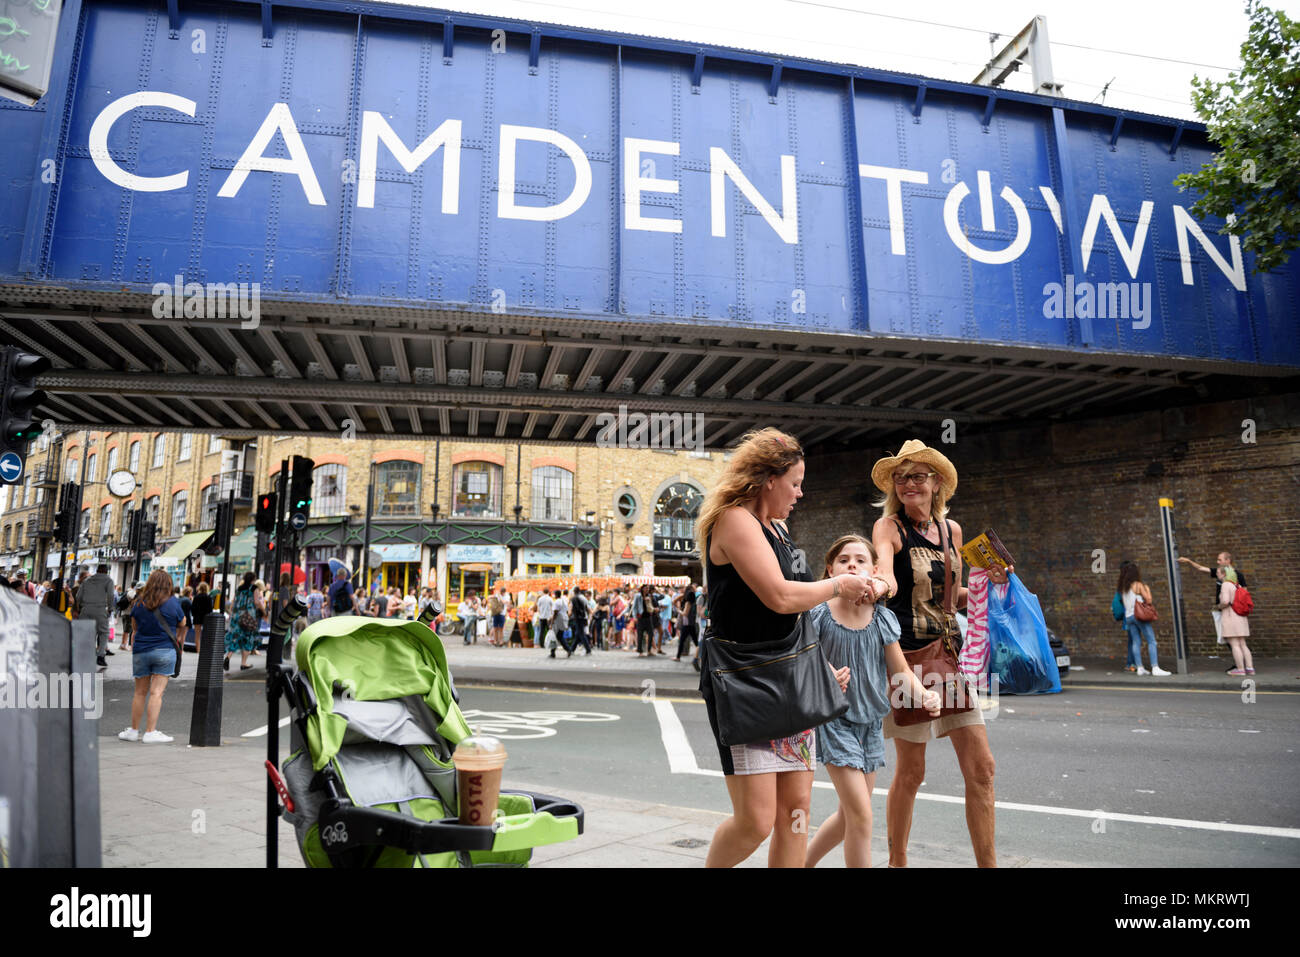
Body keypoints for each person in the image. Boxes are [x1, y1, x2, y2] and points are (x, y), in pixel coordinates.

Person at [697, 427, 874, 868]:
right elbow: (778, 595)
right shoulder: (734, 520)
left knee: (796, 813)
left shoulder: (779, 527)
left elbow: (798, 608)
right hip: (746, 682)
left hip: (792, 678)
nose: (800, 492)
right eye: (794, 483)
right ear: (769, 479)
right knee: (755, 821)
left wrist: (818, 668)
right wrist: (838, 584)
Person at [870, 439, 1002, 868]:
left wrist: (989, 583)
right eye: (901, 476)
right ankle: (898, 861)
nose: (909, 483)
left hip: (950, 657)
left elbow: (951, 596)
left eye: (918, 476)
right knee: (912, 771)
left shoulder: (953, 531)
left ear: (936, 482)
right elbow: (888, 574)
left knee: (982, 768)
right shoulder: (888, 528)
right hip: (908, 660)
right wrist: (880, 584)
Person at [806, 535, 940, 868]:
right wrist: (825, 673)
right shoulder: (820, 614)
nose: (852, 564)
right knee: (862, 815)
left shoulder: (881, 618)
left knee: (848, 815)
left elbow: (901, 671)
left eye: (860, 559)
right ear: (830, 569)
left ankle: (800, 863)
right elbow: (802, 658)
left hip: (870, 725)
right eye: (843, 559)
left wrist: (925, 695)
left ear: (874, 570)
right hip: (834, 720)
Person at [118, 569, 185, 743]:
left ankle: (133, 731)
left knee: (139, 693)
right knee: (156, 693)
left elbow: (135, 627)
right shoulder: (172, 603)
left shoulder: (139, 603)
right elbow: (183, 622)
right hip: (164, 650)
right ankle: (150, 732)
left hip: (141, 650)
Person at [1178, 552, 1247, 649]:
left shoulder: (1238, 575)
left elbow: (1244, 593)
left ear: (1228, 560)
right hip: (1222, 609)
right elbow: (1201, 568)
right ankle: (1240, 662)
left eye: (1220, 560)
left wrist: (1234, 604)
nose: (1217, 562)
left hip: (1232, 610)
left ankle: (1241, 663)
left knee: (1235, 639)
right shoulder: (1219, 572)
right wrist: (1189, 561)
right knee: (1227, 637)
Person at [1117, 562, 1169, 677]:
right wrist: (1147, 589)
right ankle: (1155, 667)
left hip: (1129, 617)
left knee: (1136, 642)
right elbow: (1149, 600)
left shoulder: (1122, 588)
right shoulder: (1137, 585)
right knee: (1151, 641)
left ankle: (1140, 668)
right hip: (1139, 616)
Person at [75, 563, 117, 671]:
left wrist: (78, 608)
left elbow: (78, 596)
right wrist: (110, 609)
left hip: (85, 609)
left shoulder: (87, 580)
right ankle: (101, 655)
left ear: (97, 570)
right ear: (106, 571)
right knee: (103, 632)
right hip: (99, 609)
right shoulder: (108, 580)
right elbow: (111, 595)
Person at [1215, 566, 1254, 675]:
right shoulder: (1237, 585)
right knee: (1243, 644)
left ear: (1224, 574)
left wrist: (1219, 606)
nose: (1217, 574)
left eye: (1218, 572)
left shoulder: (1225, 585)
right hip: (1241, 616)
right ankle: (1250, 668)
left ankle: (1240, 669)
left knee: (1235, 644)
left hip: (1231, 617)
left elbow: (1226, 601)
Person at [223, 572, 264, 672]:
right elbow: (257, 602)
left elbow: (234, 602)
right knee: (247, 638)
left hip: (237, 616)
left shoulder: (239, 588)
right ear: (253, 579)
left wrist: (232, 613)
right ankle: (243, 663)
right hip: (248, 617)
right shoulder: (254, 588)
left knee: (235, 637)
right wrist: (263, 610)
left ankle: (228, 657)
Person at [674, 583, 698, 661]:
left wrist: (679, 610)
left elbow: (685, 613)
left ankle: (678, 657)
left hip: (687, 624)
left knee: (682, 641)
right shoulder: (694, 602)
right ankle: (700, 655)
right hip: (691, 623)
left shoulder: (688, 603)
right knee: (695, 642)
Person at [632, 585, 657, 657]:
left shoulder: (649, 596)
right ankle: (640, 651)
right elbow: (634, 607)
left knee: (651, 634)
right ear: (642, 589)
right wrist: (634, 617)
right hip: (641, 617)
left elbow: (652, 605)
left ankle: (649, 650)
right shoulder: (638, 596)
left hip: (648, 617)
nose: (647, 590)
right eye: (646, 588)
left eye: (648, 588)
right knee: (640, 634)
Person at [567, 586, 592, 656]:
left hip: (577, 618)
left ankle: (588, 649)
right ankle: (572, 649)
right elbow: (588, 608)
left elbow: (570, 610)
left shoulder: (573, 599)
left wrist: (568, 616)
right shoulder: (583, 597)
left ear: (574, 592)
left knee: (581, 633)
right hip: (584, 617)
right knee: (578, 633)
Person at [191, 581, 213, 655]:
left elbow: (193, 608)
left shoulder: (196, 597)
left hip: (197, 617)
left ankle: (198, 651)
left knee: (197, 635)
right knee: (206, 635)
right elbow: (210, 609)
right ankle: (205, 651)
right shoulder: (208, 597)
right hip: (206, 618)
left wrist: (194, 614)